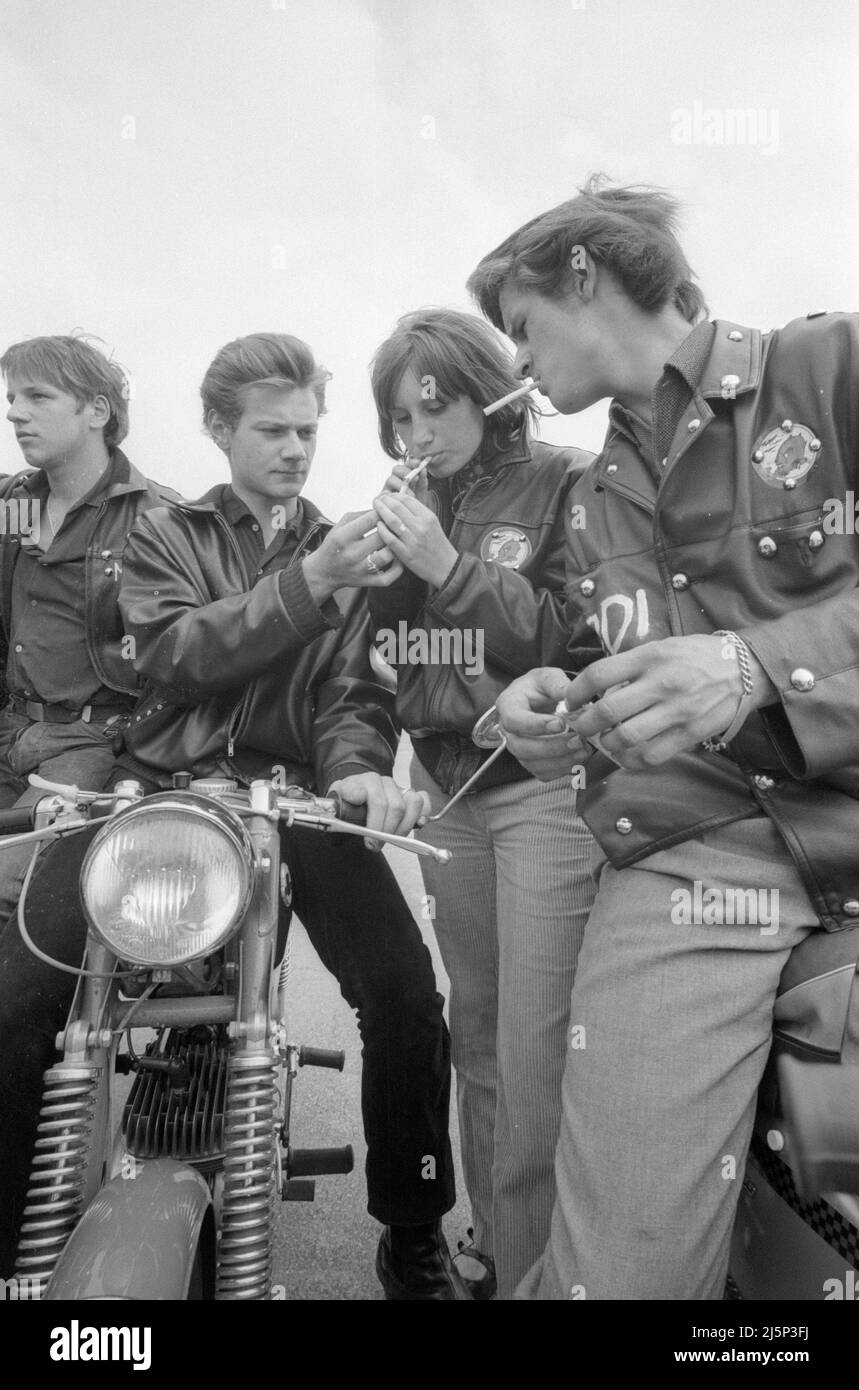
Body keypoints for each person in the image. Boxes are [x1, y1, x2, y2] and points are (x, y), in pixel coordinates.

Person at [467, 177, 859, 1299]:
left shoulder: (827, 368)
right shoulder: (591, 502)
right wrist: (567, 711)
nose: (518, 367)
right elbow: (633, 676)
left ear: (581, 270)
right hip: (701, 856)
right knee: (622, 1274)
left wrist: (748, 666)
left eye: (522, 326)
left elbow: (717, 669)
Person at [105, 331, 460, 1299]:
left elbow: (351, 698)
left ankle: (415, 1224)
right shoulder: (165, 531)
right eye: (272, 428)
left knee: (404, 993)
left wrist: (355, 774)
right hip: (172, 799)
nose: (297, 448)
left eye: (308, 429)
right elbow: (176, 654)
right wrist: (308, 585)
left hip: (297, 796)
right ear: (219, 427)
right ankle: (38, 1212)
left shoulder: (345, 546)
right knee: (30, 993)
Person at [368, 308, 597, 1299]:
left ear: (488, 388)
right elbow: (376, 663)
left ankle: (542, 1262)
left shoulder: (566, 479)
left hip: (540, 789)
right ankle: (499, 1243)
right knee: (480, 1030)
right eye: (399, 414)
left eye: (436, 403)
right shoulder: (408, 500)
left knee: (540, 1037)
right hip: (446, 793)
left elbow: (578, 635)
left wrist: (450, 571)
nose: (419, 431)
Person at [0, 336, 177, 926]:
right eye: (11, 397)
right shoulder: (14, 504)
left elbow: (190, 651)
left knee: (9, 886)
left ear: (96, 411)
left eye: (38, 396)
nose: (15, 412)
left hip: (89, 743)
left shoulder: (158, 517)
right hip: (9, 727)